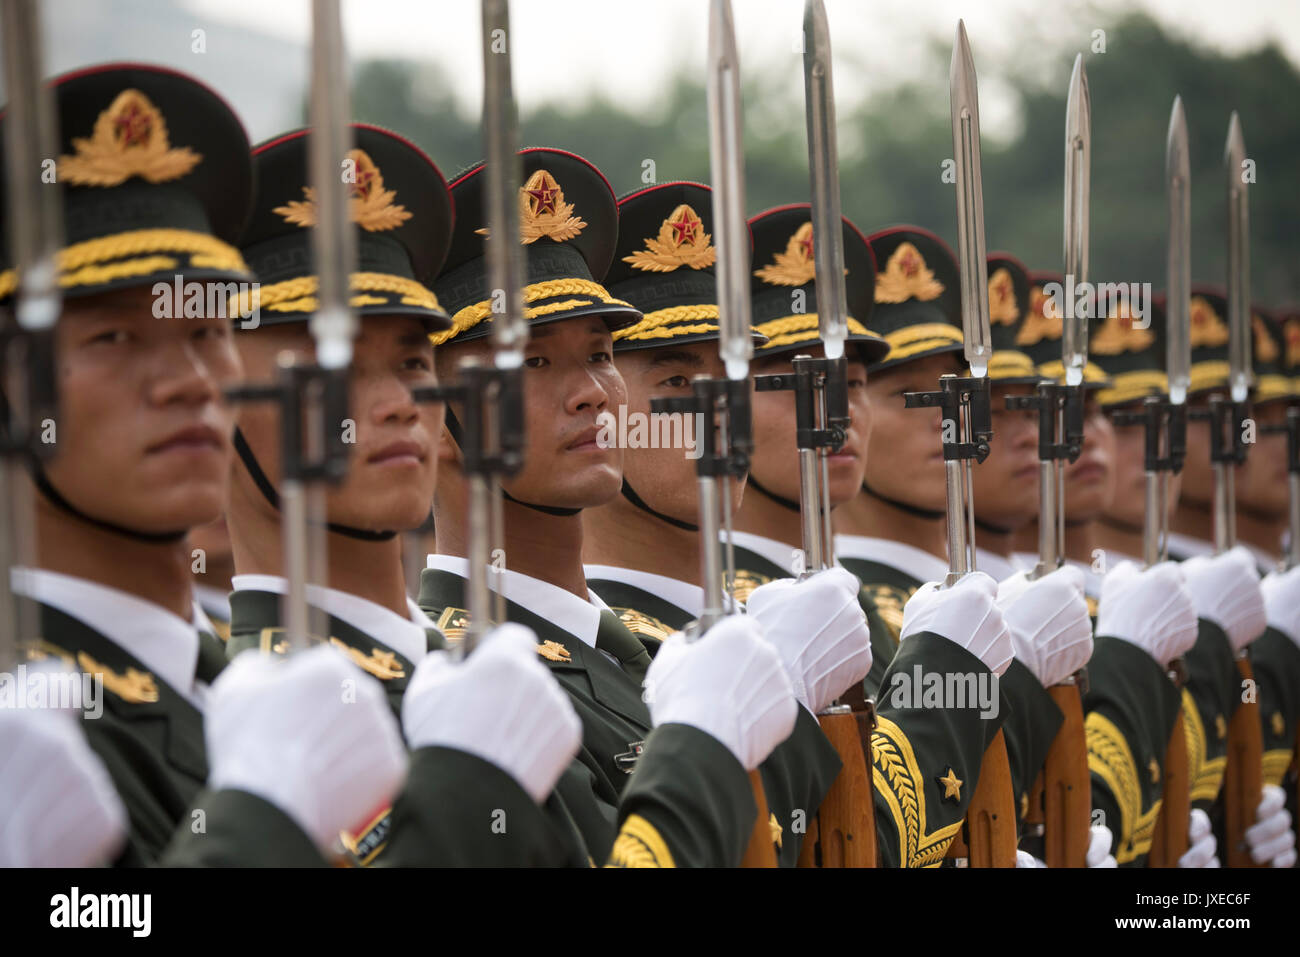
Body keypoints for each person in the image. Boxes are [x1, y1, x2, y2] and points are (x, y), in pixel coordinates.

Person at [0, 63, 405, 866]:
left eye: (205, 330)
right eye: (112, 338)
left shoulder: (237, 684)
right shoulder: (23, 732)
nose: (188, 380)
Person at [421, 148, 801, 867]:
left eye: (599, 353)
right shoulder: (458, 680)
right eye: (532, 362)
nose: (592, 391)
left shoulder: (645, 651)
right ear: (435, 418)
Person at [222, 124, 584, 866]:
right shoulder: (243, 716)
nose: (395, 404)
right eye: (333, 368)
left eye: (415, 362)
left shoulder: (478, 677)